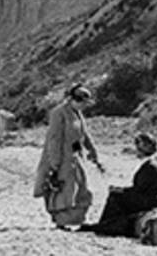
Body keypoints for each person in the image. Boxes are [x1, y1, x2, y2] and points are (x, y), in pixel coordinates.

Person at [33, 83, 104, 229]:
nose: (84, 106)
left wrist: (92, 150)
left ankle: (78, 219)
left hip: (76, 156)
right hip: (62, 157)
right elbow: (54, 139)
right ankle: (61, 220)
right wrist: (55, 163)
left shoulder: (77, 113)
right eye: (82, 103)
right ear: (74, 99)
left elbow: (84, 133)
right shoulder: (58, 113)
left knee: (82, 186)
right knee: (64, 189)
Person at [78, 132, 157, 238]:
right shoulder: (152, 163)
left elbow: (140, 190)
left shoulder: (151, 166)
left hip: (151, 203)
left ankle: (104, 226)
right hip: (151, 200)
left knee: (115, 197)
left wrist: (120, 191)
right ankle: (105, 226)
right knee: (117, 194)